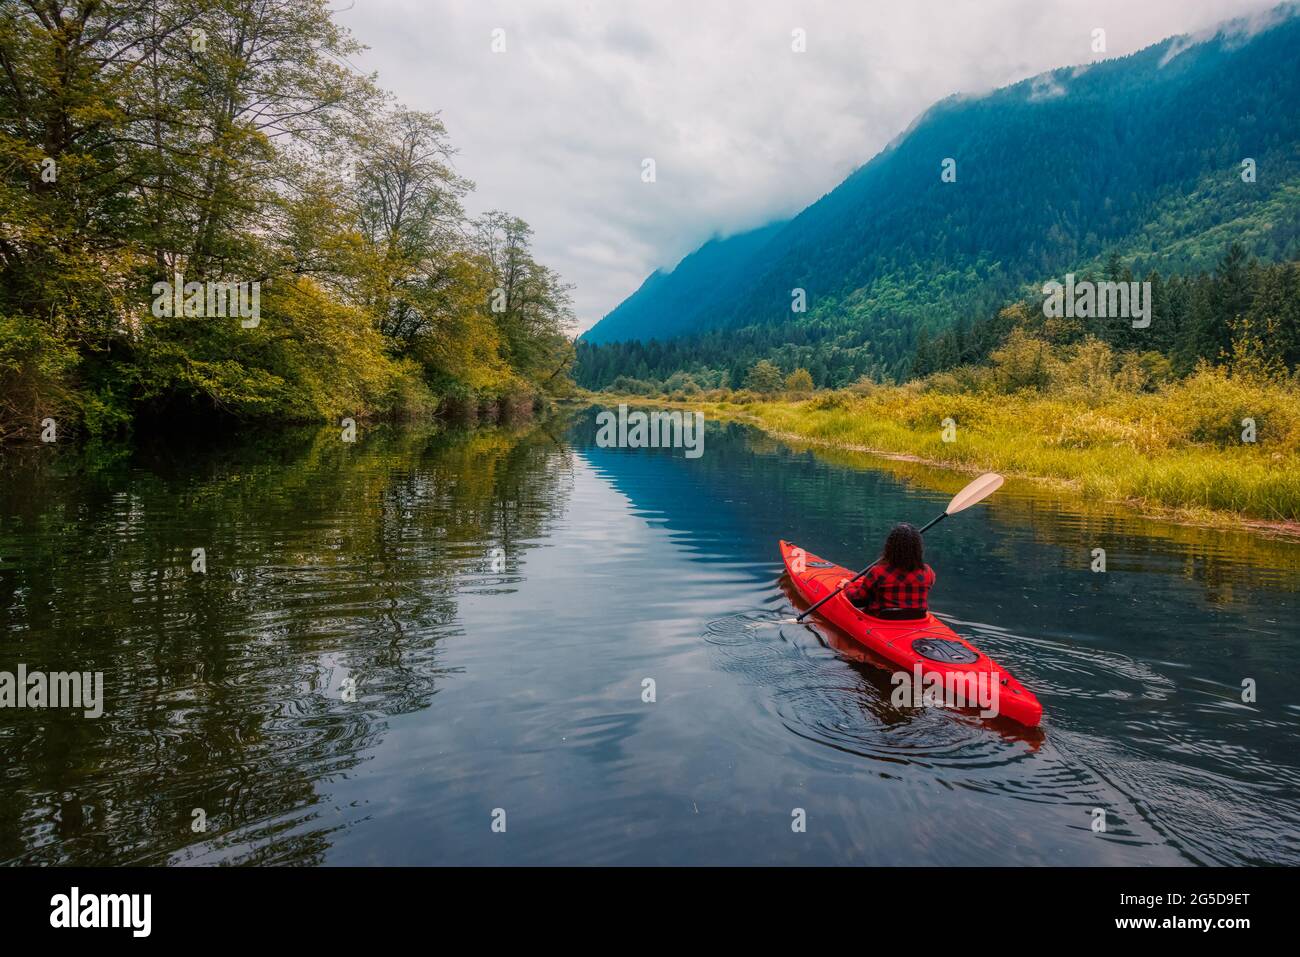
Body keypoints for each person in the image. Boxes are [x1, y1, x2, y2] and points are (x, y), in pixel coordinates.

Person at [842, 523, 935, 619]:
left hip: (881, 619)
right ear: (918, 548)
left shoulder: (877, 572)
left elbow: (857, 600)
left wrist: (847, 585)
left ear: (890, 547)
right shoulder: (928, 572)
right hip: (917, 618)